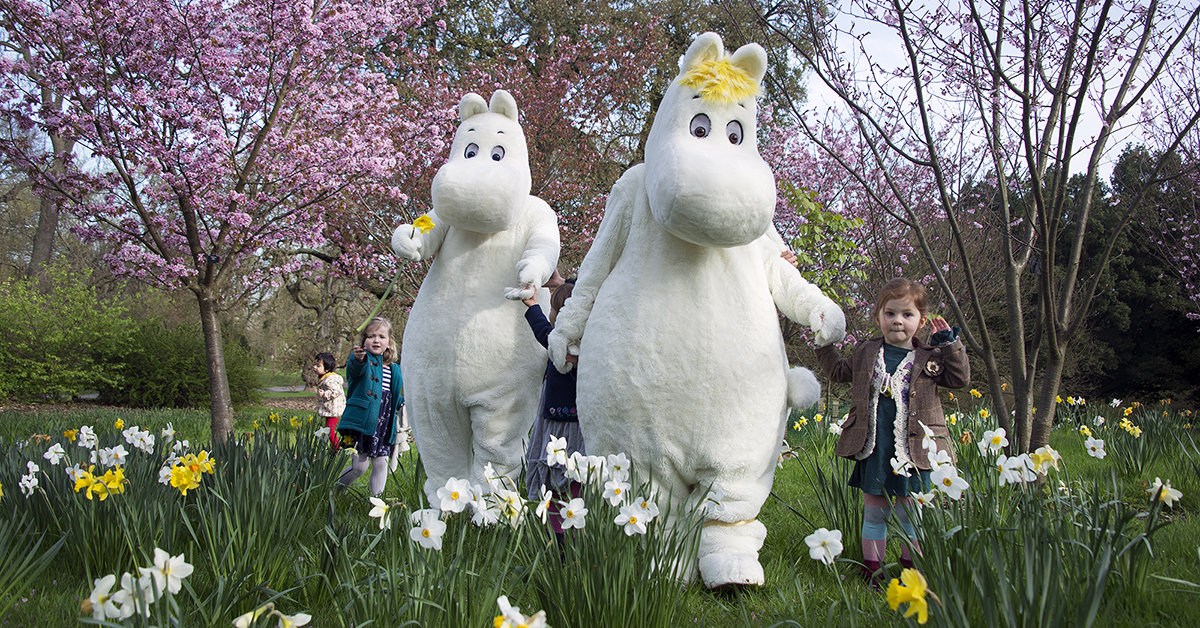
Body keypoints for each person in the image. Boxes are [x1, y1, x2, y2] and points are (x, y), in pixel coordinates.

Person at [815, 278, 969, 586]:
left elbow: (960, 379)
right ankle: (872, 573)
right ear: (878, 317)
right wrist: (823, 344)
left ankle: (914, 575)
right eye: (890, 313)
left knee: (911, 513)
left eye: (907, 314)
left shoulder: (932, 356)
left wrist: (948, 344)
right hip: (876, 447)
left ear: (921, 321)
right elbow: (838, 372)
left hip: (916, 452)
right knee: (875, 512)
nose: (898, 320)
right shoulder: (866, 352)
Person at [522, 278, 581, 535]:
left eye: (556, 310)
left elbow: (542, 328)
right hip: (556, 420)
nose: (552, 315)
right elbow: (541, 329)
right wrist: (534, 303)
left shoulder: (585, 348)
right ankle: (558, 534)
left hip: (572, 426)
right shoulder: (556, 341)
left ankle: (570, 531)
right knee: (558, 479)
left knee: (571, 478)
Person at [337, 317, 403, 496]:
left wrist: (403, 402)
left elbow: (391, 396)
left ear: (389, 343)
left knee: (381, 464)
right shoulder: (362, 362)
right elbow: (354, 369)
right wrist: (358, 359)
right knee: (359, 467)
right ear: (363, 341)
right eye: (371, 336)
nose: (376, 340)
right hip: (362, 422)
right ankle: (336, 491)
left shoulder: (394, 370)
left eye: (381, 336)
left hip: (382, 425)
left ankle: (376, 503)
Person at [313, 352, 346, 449]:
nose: (315, 367)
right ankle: (327, 447)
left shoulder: (330, 379)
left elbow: (336, 391)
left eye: (318, 366)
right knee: (327, 429)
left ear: (326, 369)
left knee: (329, 430)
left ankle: (336, 448)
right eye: (315, 364)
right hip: (329, 409)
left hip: (334, 410)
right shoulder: (324, 378)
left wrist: (324, 394)